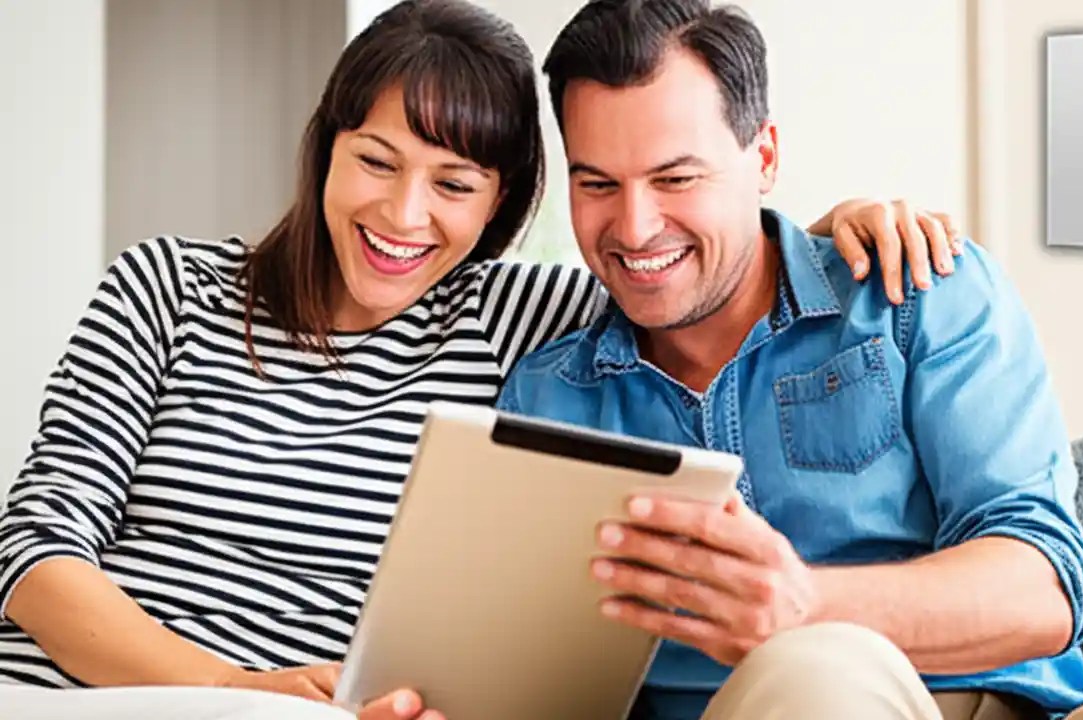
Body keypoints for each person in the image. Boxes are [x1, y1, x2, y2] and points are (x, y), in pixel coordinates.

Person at [0, 1, 960, 718]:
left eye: (454, 184)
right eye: (375, 161)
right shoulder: (164, 285)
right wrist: (236, 689)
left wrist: (837, 239)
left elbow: (697, 267)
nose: (403, 215)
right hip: (67, 691)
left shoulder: (521, 320)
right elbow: (34, 556)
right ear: (327, 148)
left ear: (498, 208)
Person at [495, 1, 1083, 720]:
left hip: (1009, 708)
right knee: (819, 676)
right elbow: (536, 679)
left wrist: (803, 604)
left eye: (676, 178)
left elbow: (1044, 587)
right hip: (787, 707)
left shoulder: (915, 291)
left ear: (763, 156)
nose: (634, 228)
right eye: (597, 183)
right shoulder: (548, 399)